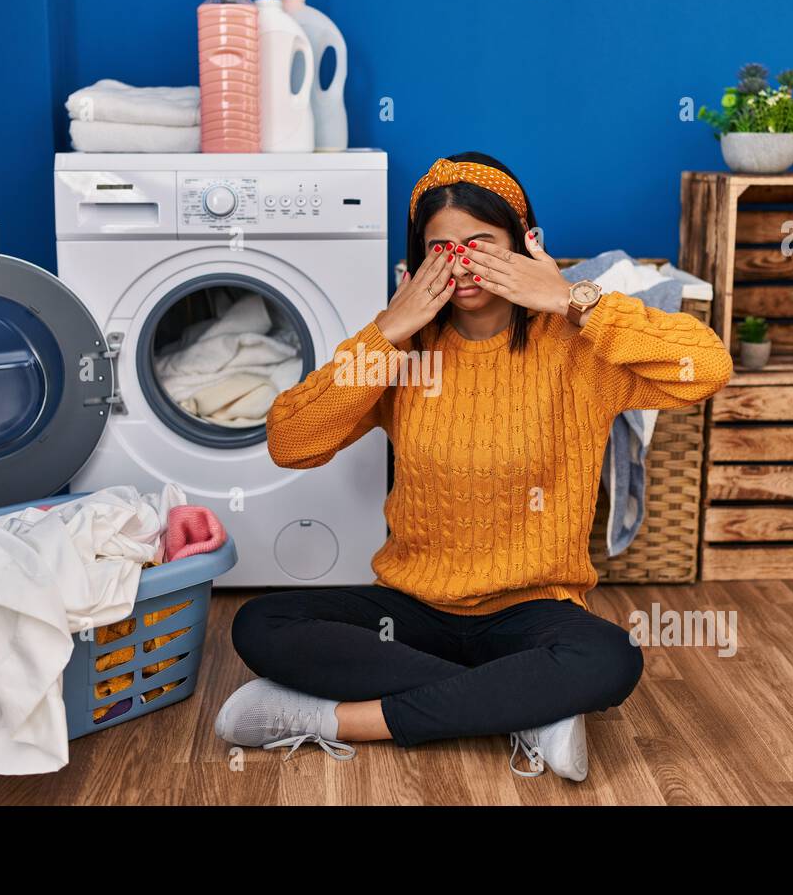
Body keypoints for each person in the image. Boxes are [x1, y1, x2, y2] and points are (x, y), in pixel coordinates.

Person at [215, 152, 732, 780]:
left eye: (481, 245)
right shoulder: (402, 355)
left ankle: (332, 720)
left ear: (527, 245)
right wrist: (386, 331)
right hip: (409, 611)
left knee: (610, 658)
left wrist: (575, 299)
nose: (461, 265)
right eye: (442, 250)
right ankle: (528, 708)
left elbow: (707, 368)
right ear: (415, 266)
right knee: (262, 622)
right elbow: (289, 441)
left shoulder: (579, 349)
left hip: (532, 612)